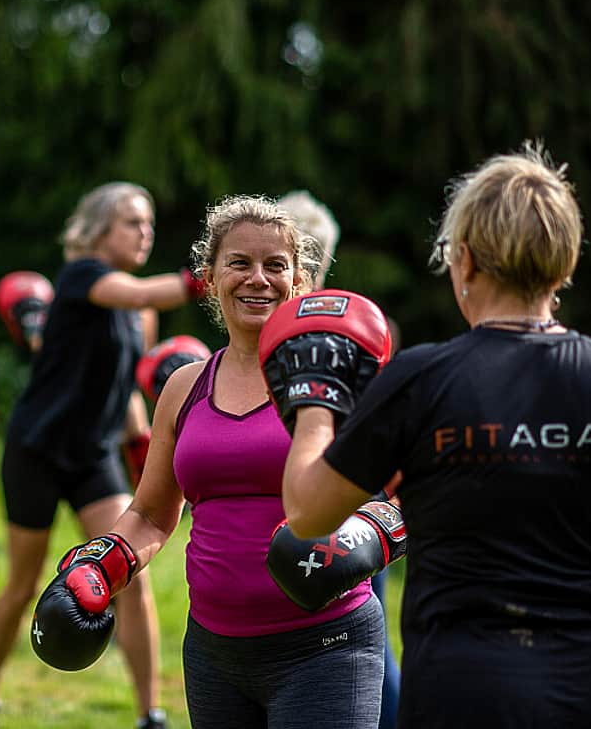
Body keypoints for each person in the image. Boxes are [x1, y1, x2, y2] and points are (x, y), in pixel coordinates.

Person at [268, 142, 591, 728]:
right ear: (565, 266)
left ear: (464, 261)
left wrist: (314, 399)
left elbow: (306, 514)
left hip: (463, 686)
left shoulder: (419, 379)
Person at [29, 195, 392, 729]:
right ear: (210, 276)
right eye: (240, 263)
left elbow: (403, 493)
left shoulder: (334, 379)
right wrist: (103, 561)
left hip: (327, 646)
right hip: (214, 654)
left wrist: (366, 536)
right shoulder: (183, 387)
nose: (258, 279)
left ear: (298, 280)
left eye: (275, 266)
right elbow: (151, 514)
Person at [0, 181, 204, 729]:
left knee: (130, 574)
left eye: (148, 222)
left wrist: (144, 447)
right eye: (131, 223)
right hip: (37, 449)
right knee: (24, 583)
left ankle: (150, 713)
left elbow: (124, 388)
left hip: (93, 454)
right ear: (98, 229)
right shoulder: (82, 278)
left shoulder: (136, 311)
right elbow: (143, 293)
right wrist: (209, 275)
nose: (145, 232)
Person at [275, 188, 401, 729]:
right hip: (363, 502)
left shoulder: (310, 338)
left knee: (359, 631)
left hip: (339, 505)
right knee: (374, 635)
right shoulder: (360, 328)